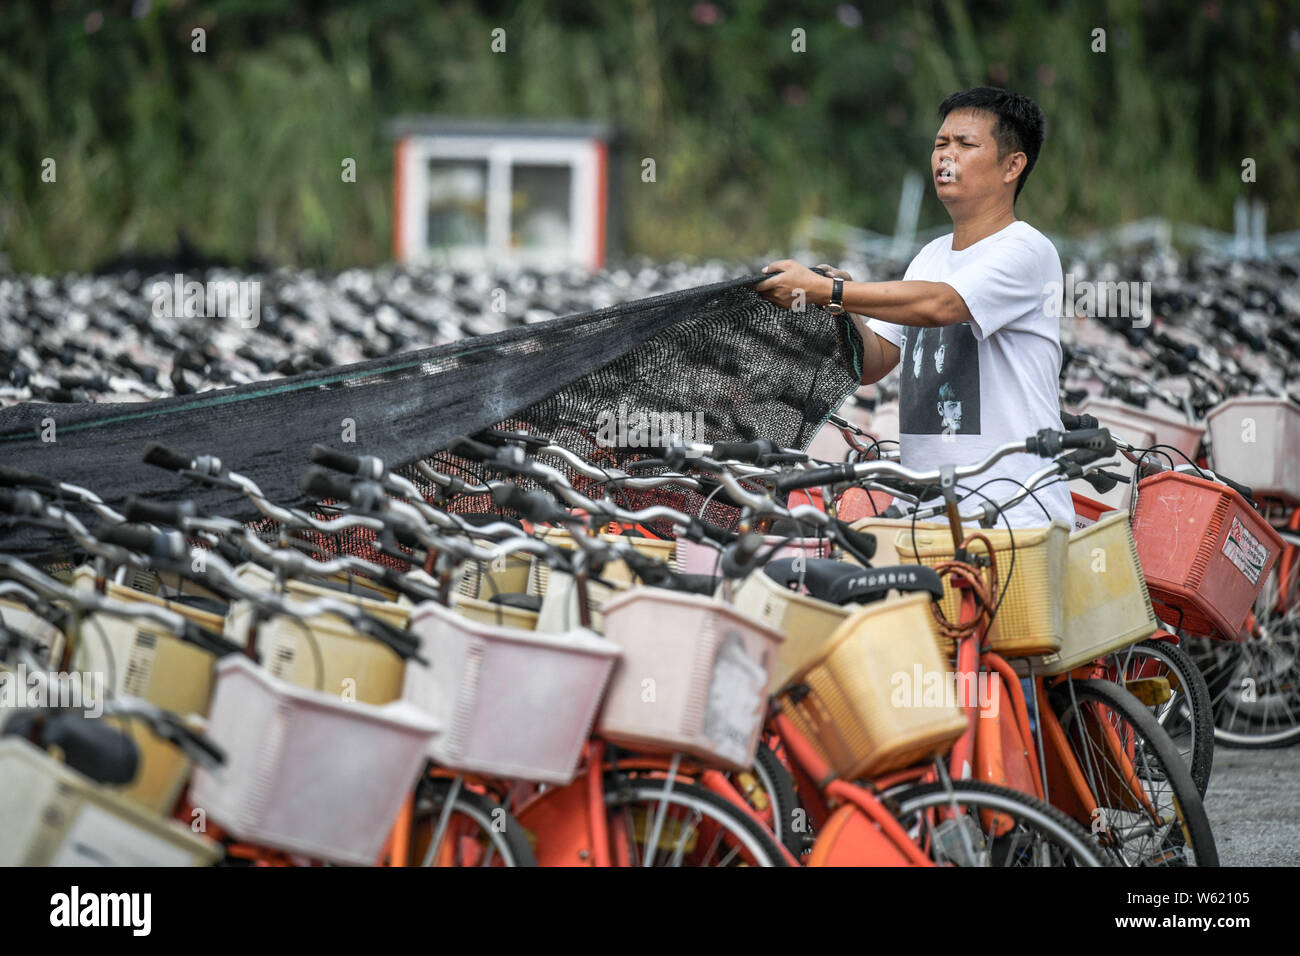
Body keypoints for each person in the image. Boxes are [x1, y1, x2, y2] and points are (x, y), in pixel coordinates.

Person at [757, 86, 1072, 530]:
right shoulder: (930, 255)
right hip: (928, 513)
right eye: (941, 143)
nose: (946, 156)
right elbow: (876, 362)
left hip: (1013, 514)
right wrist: (844, 311)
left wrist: (829, 291)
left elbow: (943, 305)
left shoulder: (1027, 249)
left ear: (1012, 165)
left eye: (965, 144)